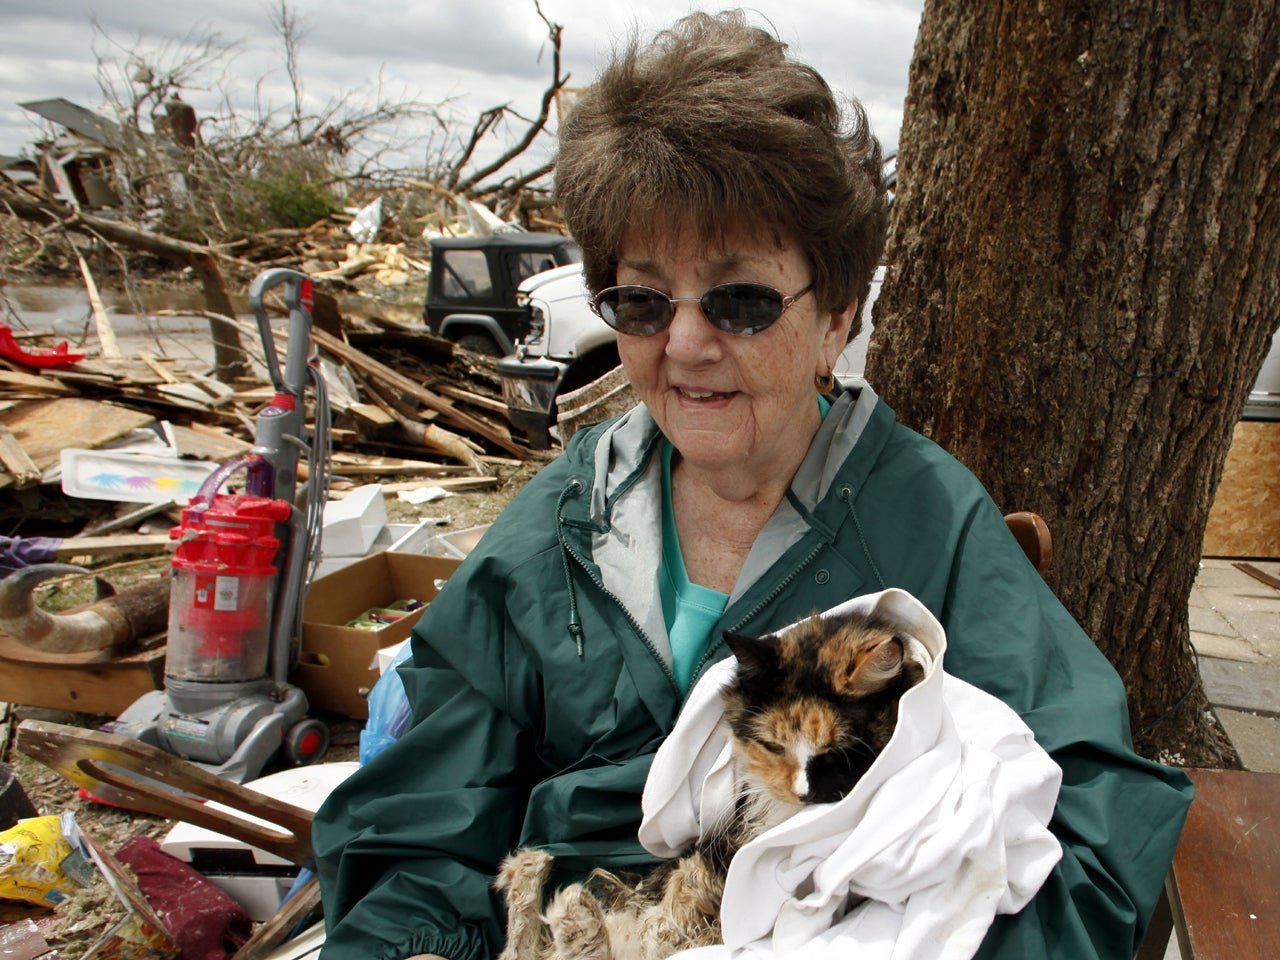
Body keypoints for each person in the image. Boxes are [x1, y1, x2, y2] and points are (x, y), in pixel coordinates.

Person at [312, 11, 1192, 960]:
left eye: (741, 299)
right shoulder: (564, 519)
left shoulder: (925, 522)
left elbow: (1094, 812)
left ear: (836, 319)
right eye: (643, 301)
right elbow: (424, 810)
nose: (686, 344)